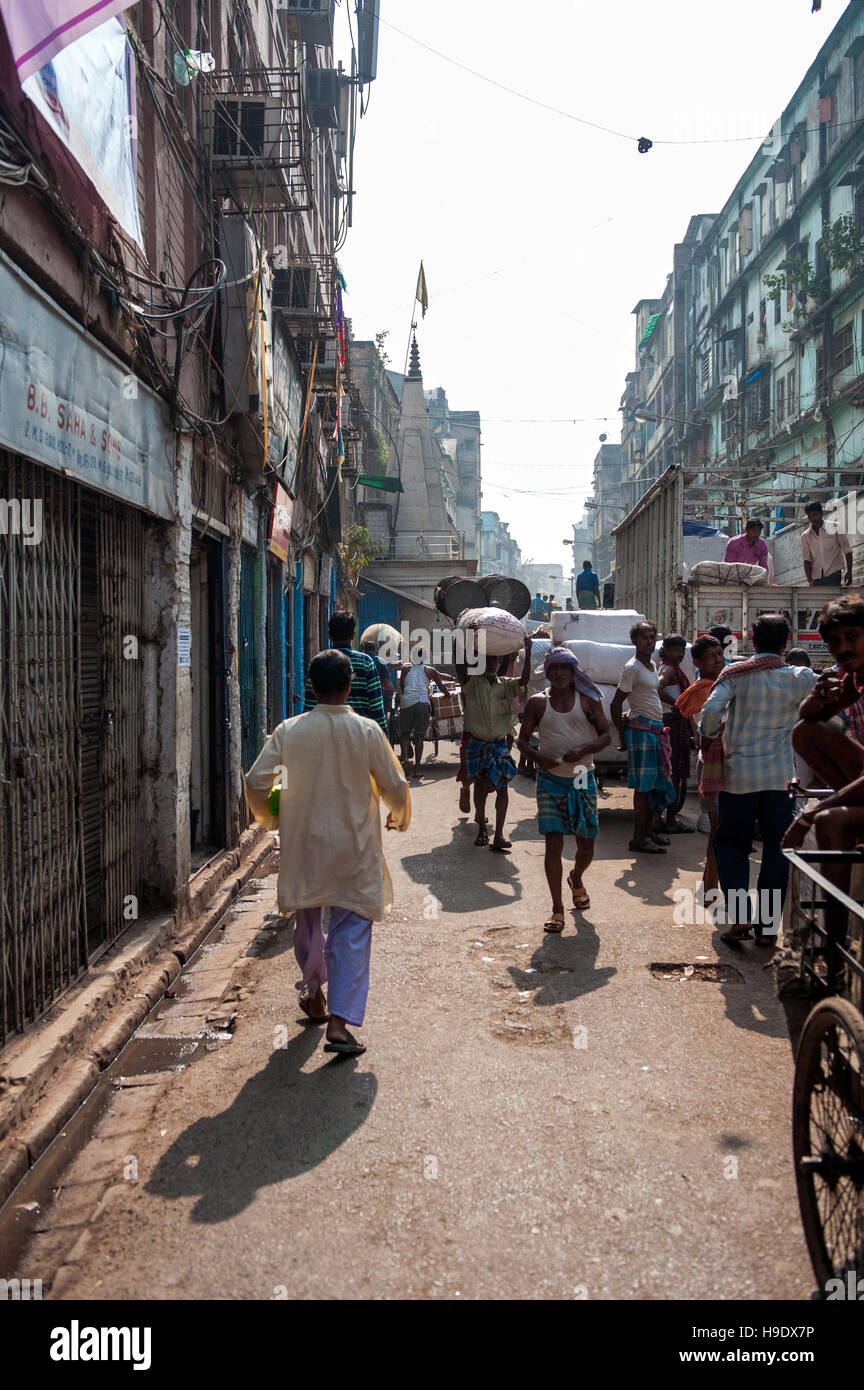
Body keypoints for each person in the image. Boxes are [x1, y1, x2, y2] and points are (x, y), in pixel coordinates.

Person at [246, 649, 410, 1056]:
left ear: (312, 688)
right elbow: (394, 783)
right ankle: (338, 1023)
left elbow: (255, 781)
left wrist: (270, 816)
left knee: (307, 921)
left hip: (306, 846)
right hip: (353, 850)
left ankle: (313, 992)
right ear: (350, 687)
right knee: (350, 931)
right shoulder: (368, 731)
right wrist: (399, 815)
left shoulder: (288, 731)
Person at [698, 613, 817, 946]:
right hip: (781, 779)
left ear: (752, 638)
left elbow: (710, 712)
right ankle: (767, 930)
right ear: (786, 642)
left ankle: (740, 916)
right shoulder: (800, 676)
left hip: (739, 779)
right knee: (777, 850)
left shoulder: (736, 674)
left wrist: (707, 736)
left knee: (731, 844)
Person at [517, 648, 610, 932]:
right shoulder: (536, 703)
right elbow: (522, 742)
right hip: (549, 779)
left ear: (573, 673)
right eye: (553, 668)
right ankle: (557, 910)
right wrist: (537, 758)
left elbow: (606, 736)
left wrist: (584, 749)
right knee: (553, 841)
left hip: (582, 775)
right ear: (546, 671)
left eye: (564, 669)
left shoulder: (588, 701)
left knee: (586, 842)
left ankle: (577, 877)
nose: (558, 674)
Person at [459, 631, 532, 851]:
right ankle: (482, 828)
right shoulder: (471, 683)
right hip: (478, 742)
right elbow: (461, 667)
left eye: (495, 660)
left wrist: (527, 652)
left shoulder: (507, 684)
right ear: (482, 662)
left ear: (500, 663)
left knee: (502, 787)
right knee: (480, 785)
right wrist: (465, 640)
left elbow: (525, 681)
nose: (492, 664)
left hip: (499, 743)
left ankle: (499, 834)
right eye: (488, 660)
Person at [610, 620, 676, 854]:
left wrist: (677, 703)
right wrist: (621, 732)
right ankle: (638, 837)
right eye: (645, 637)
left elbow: (653, 692)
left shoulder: (650, 665)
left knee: (654, 785)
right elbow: (616, 702)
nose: (650, 641)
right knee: (643, 788)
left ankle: (647, 831)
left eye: (652, 637)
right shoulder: (633, 668)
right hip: (641, 733)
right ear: (634, 641)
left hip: (654, 732)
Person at [789, 595, 864, 794]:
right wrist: (816, 697)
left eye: (852, 637)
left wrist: (812, 815)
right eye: (835, 641)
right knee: (802, 732)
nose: (843, 649)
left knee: (827, 820)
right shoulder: (853, 679)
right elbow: (806, 724)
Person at [675, 636, 726, 893]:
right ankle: (710, 886)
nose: (718, 659)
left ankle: (710, 883)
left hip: (718, 762)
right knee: (718, 831)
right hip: (711, 763)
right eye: (711, 656)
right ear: (697, 662)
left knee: (721, 830)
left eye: (719, 653)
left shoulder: (719, 686)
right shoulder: (704, 690)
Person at [305, 611, 388, 734]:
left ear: (329, 635)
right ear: (353, 635)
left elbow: (309, 705)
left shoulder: (318, 662)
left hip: (323, 736)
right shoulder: (366, 662)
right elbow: (376, 705)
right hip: (359, 734)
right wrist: (383, 735)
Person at [657, 633, 694, 833]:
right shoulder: (670, 669)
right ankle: (670, 820)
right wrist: (677, 704)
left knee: (672, 773)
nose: (680, 654)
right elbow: (658, 687)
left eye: (682, 650)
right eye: (675, 650)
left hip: (674, 722)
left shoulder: (669, 667)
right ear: (667, 650)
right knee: (675, 773)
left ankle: (663, 817)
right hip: (674, 724)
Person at [397, 654, 451, 780]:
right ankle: (416, 769)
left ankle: (405, 759)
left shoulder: (405, 668)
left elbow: (402, 686)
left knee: (405, 734)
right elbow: (441, 686)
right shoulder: (430, 670)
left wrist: (407, 696)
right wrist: (448, 695)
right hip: (422, 701)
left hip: (407, 701)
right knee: (419, 736)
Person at [800, 500, 852, 587]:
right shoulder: (805, 536)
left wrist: (849, 572)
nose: (813, 519)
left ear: (821, 513)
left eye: (815, 515)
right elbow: (807, 560)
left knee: (834, 599)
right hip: (816, 578)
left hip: (834, 574)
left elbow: (847, 551)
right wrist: (810, 581)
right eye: (810, 517)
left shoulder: (836, 527)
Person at [360, 639, 395, 713]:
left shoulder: (360, 660)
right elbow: (387, 681)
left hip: (362, 695)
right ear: (375, 650)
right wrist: (394, 694)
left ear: (364, 650)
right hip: (378, 694)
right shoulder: (380, 660)